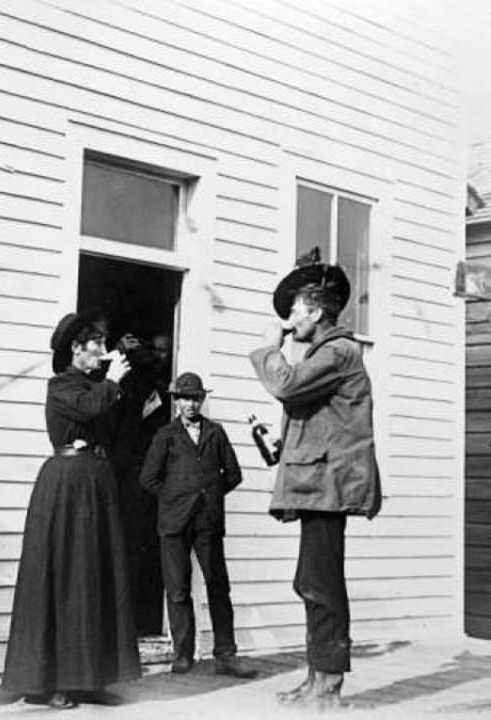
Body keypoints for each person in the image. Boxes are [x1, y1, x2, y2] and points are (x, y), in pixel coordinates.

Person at [249, 252, 382, 710]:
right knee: (313, 581)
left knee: (321, 584)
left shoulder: (337, 351)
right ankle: (316, 678)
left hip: (329, 486)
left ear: (318, 311)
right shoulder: (325, 353)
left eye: (295, 311)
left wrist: (270, 346)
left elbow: (285, 386)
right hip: (318, 484)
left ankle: (328, 688)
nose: (288, 320)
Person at [2, 311, 141, 709]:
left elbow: (109, 426)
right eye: (96, 344)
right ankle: (49, 683)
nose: (103, 350)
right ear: (76, 350)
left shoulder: (97, 387)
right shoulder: (61, 385)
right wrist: (112, 383)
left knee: (93, 578)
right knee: (64, 579)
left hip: (94, 483)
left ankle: (87, 678)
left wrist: (124, 396)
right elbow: (86, 410)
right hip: (66, 486)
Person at [139, 372, 257, 679]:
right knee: (177, 590)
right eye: (185, 398)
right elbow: (148, 478)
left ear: (202, 400)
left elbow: (233, 474)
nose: (191, 404)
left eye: (196, 398)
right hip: (174, 523)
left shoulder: (216, 432)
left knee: (218, 586)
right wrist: (178, 496)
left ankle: (226, 656)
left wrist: (210, 495)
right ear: (176, 401)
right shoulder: (166, 434)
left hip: (208, 521)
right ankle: (182, 655)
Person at [110, 332, 172, 636]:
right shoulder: (133, 389)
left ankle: (146, 619)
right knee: (132, 548)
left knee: (149, 551)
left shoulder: (166, 395)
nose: (159, 359)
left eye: (164, 352)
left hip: (154, 480)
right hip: (131, 477)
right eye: (154, 352)